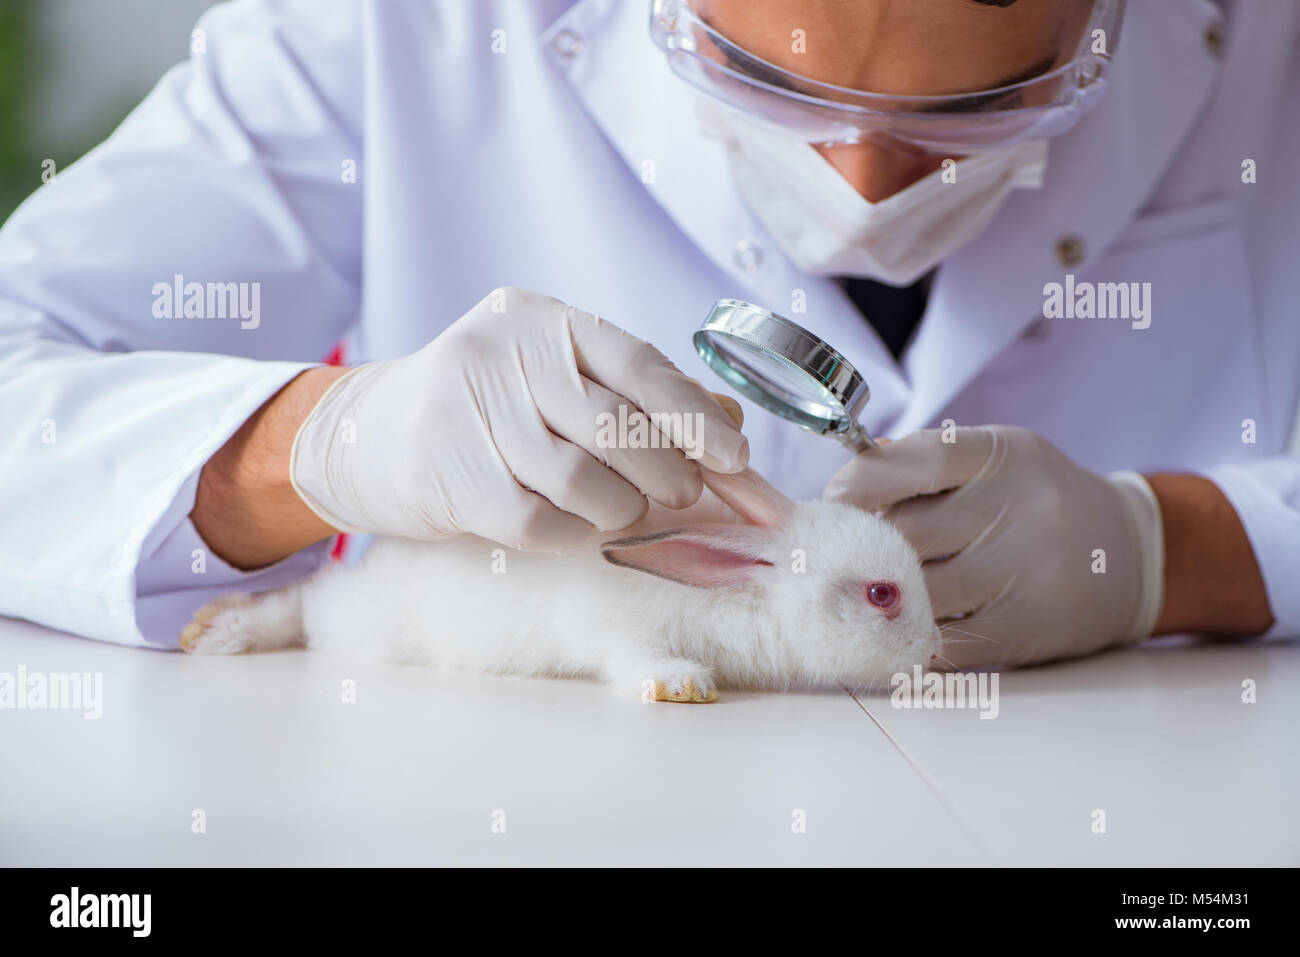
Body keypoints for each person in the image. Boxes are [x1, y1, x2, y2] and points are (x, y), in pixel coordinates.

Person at [2, 0, 1296, 670]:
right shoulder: (388, 31)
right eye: (769, 81)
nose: (862, 175)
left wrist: (1176, 546)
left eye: (982, 112)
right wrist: (316, 445)